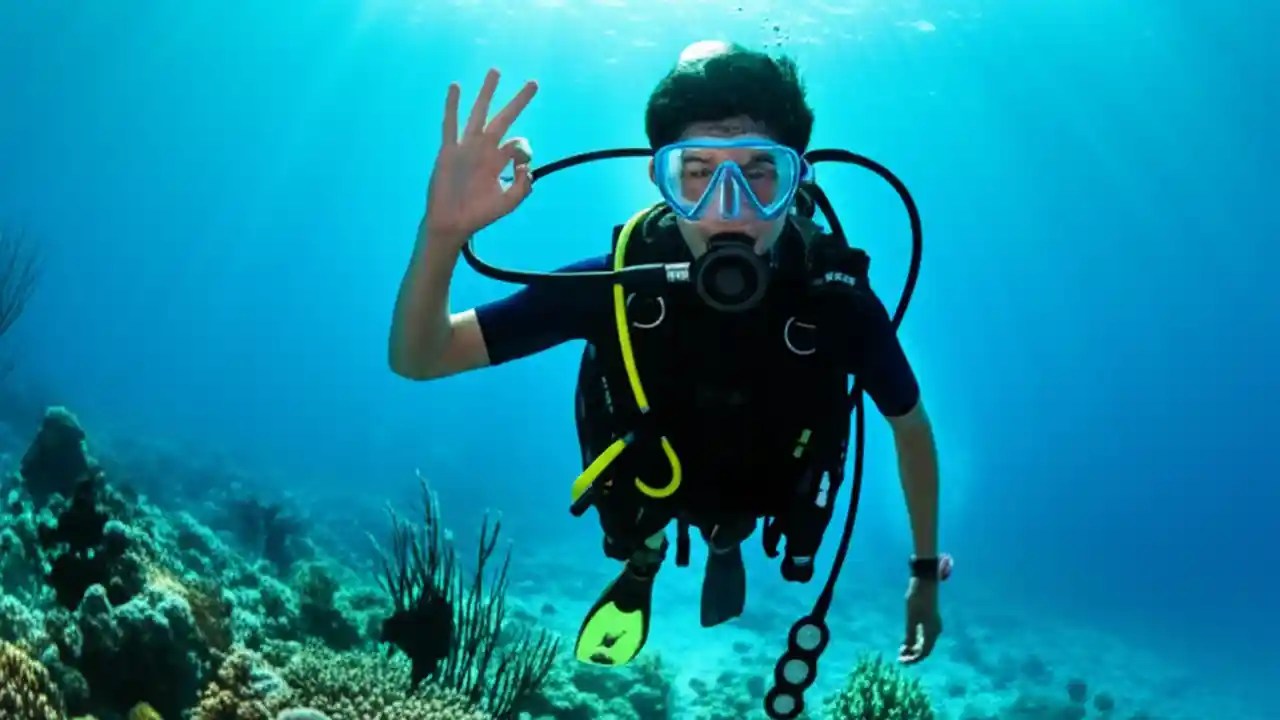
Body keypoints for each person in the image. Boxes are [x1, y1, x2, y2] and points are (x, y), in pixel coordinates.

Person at [388, 41, 945, 677]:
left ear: (798, 183)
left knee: (731, 518)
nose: (729, 206)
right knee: (644, 517)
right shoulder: (618, 285)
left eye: (761, 171)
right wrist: (442, 234)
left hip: (763, 489)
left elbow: (912, 428)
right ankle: (646, 555)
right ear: (662, 180)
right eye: (699, 172)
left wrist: (926, 572)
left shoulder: (838, 306)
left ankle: (722, 537)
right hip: (651, 486)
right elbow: (420, 356)